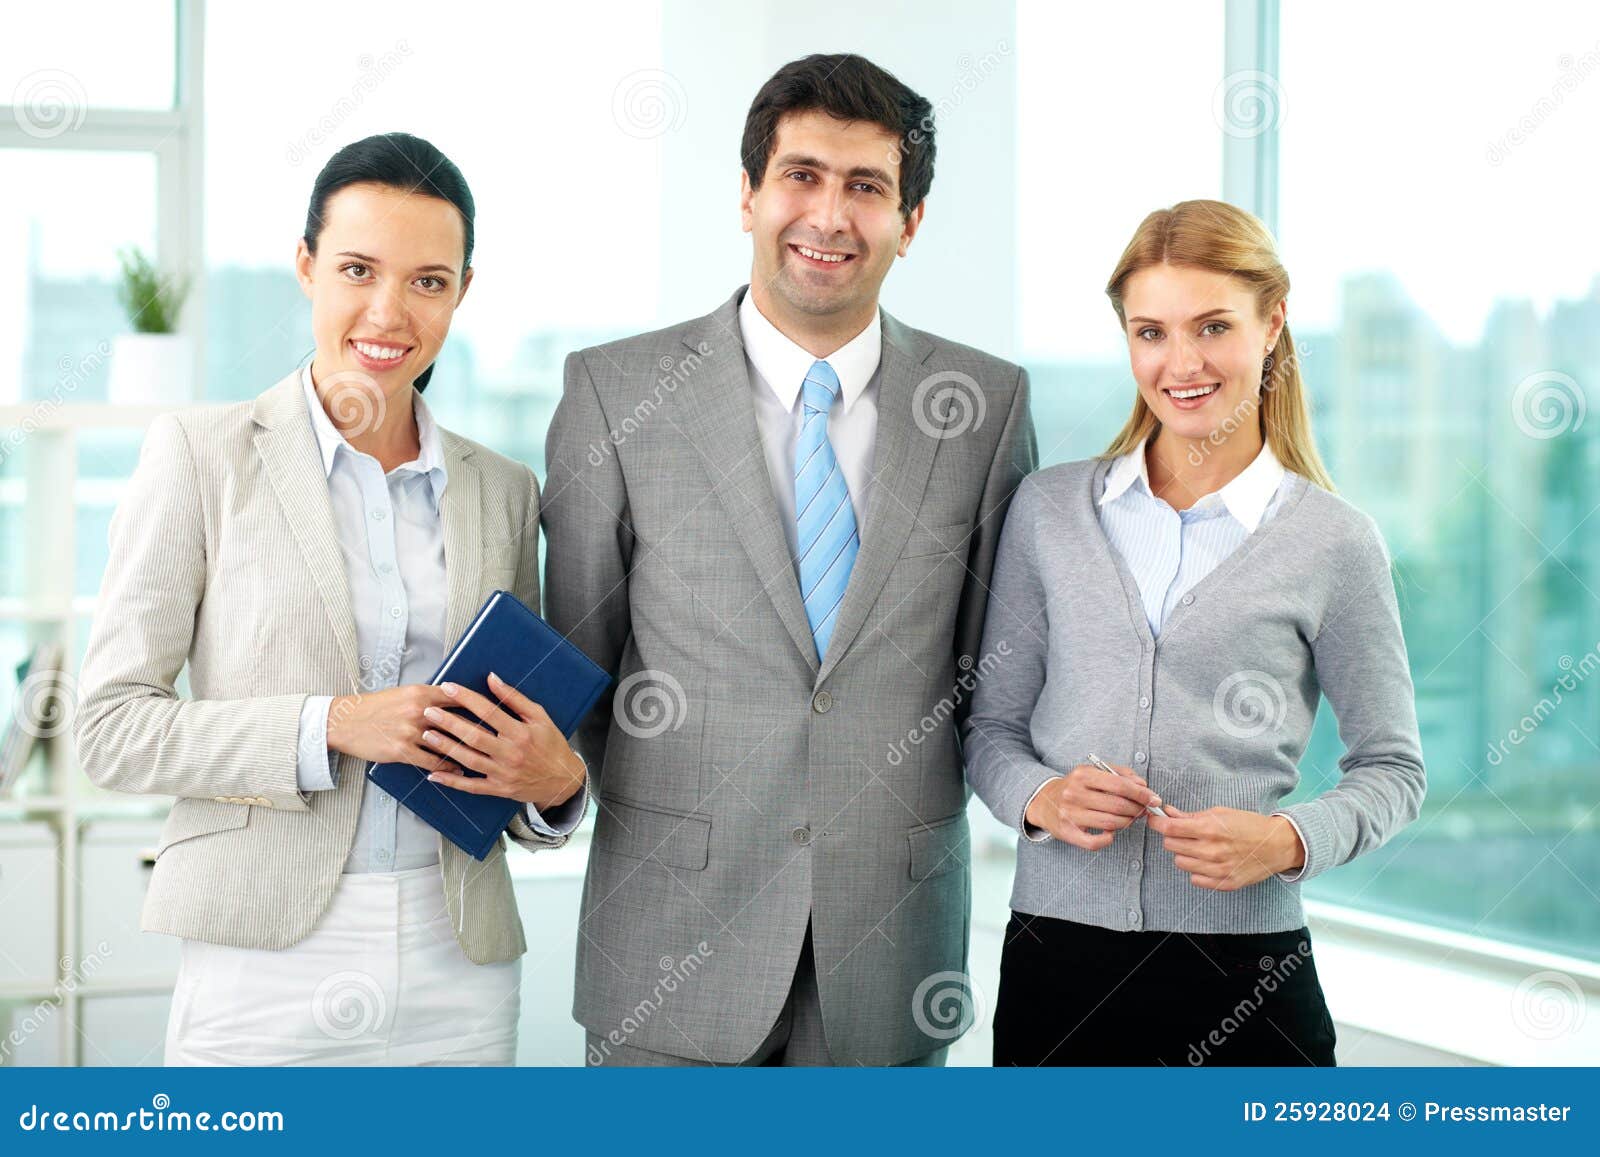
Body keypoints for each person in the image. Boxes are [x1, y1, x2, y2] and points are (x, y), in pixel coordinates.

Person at [542, 53, 1036, 1066]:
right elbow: (578, 671)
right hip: (667, 950)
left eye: (866, 187)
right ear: (747, 196)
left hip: (888, 950)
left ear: (911, 222)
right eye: (801, 176)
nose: (828, 215)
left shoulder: (983, 407)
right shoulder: (614, 393)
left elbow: (990, 676)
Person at [73, 132, 587, 1066]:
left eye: (428, 280)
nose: (388, 311)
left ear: (462, 291)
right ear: (307, 267)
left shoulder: (504, 489)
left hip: (457, 963)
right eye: (358, 268)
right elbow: (110, 727)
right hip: (262, 957)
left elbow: (515, 737)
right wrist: (332, 723)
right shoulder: (202, 454)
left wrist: (557, 788)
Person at [963, 199, 1426, 1067]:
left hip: (1248, 976)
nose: (1181, 363)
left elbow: (1393, 768)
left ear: (1273, 320)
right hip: (1054, 965)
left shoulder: (1335, 540)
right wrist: (1039, 798)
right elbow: (988, 729)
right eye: (1152, 331)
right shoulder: (1049, 510)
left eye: (1213, 326)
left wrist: (1289, 839)